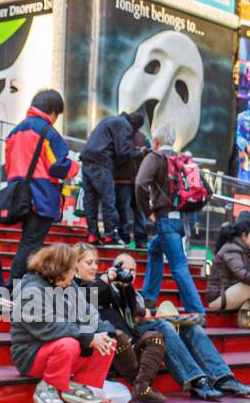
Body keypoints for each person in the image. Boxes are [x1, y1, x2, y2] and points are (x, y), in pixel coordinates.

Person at [11, 244, 116, 403]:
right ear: (59, 269)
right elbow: (48, 327)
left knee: (106, 341)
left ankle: (77, 385)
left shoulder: (69, 285)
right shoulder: (31, 289)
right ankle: (47, 387)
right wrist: (88, 337)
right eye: (72, 269)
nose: (74, 274)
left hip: (58, 349)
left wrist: (107, 331)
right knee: (69, 343)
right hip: (31, 354)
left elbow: (89, 314)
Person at [0, 89, 80, 283]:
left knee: (27, 240)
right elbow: (57, 166)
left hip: (18, 193)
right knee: (31, 243)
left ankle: (21, 284)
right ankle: (15, 285)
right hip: (41, 196)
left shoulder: (14, 131)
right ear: (52, 112)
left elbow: (8, 164)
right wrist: (75, 166)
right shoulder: (48, 132)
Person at [72, 245, 167, 403]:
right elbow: (87, 297)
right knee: (118, 336)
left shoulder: (102, 284)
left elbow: (132, 306)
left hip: (127, 347)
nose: (95, 267)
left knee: (155, 337)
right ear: (75, 264)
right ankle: (141, 385)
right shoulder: (73, 286)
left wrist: (125, 282)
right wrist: (107, 278)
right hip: (106, 346)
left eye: (96, 262)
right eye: (89, 263)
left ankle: (141, 387)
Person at [134, 123, 205, 317]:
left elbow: (140, 184)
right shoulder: (182, 159)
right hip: (185, 218)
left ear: (156, 141)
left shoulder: (154, 157)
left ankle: (197, 311)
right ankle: (149, 297)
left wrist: (147, 211)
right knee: (155, 249)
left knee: (179, 265)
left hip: (166, 219)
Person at [81, 110, 147, 245]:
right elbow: (123, 153)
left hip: (86, 161)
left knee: (91, 200)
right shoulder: (124, 126)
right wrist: (139, 153)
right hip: (101, 162)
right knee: (108, 199)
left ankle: (92, 234)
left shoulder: (110, 120)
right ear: (136, 126)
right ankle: (110, 235)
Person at [114, 123, 148, 248]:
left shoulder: (122, 135)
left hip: (128, 180)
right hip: (125, 180)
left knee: (128, 212)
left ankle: (127, 239)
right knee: (132, 212)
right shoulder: (142, 137)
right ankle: (138, 240)